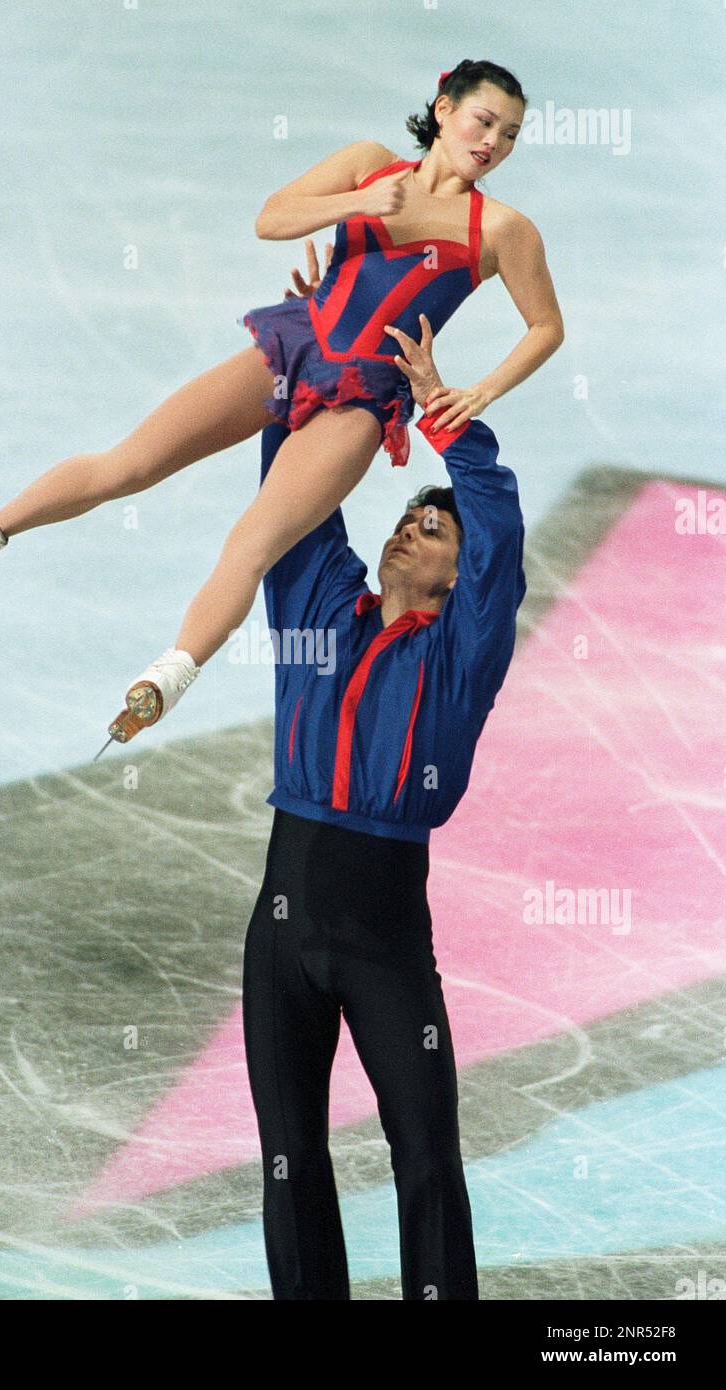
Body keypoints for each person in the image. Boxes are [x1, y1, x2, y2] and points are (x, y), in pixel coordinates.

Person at [0, 60, 561, 747]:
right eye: (485, 121)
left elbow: (546, 328)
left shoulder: (503, 229)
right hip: (295, 343)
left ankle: (169, 675)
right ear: (444, 109)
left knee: (251, 545)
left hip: (360, 398)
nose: (493, 143)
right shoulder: (368, 164)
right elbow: (273, 217)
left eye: (509, 136)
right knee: (131, 464)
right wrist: (353, 205)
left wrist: (478, 391)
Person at [242, 309, 526, 1301]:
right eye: (408, 516)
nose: (412, 525)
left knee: (424, 1161)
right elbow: (294, 499)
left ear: (459, 575)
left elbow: (500, 524)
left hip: (382, 933)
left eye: (433, 526)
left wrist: (442, 412)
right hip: (279, 930)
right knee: (288, 1161)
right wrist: (316, 365)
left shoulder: (462, 656)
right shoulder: (322, 614)